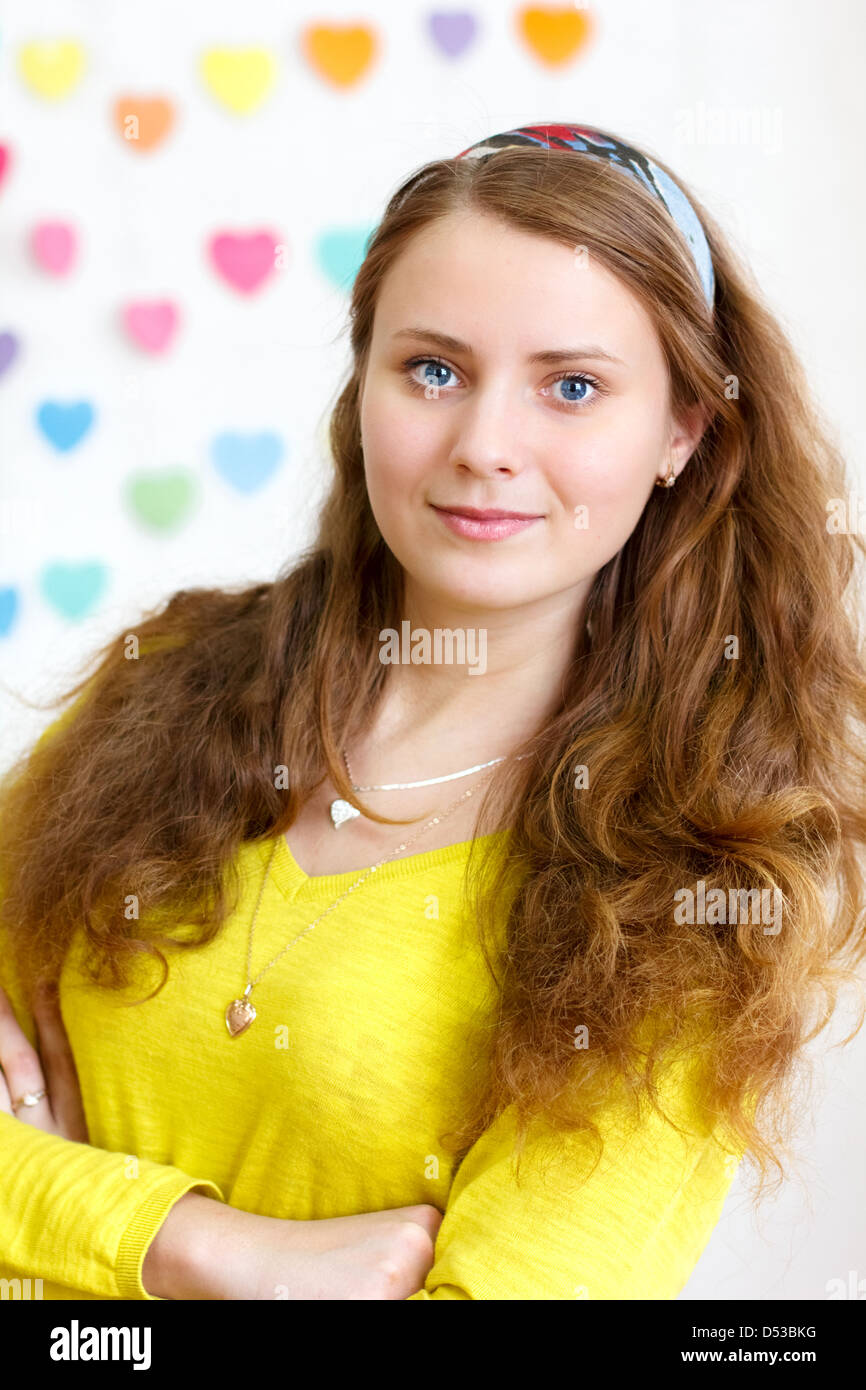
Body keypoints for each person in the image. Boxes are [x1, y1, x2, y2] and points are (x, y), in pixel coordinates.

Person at [1, 123, 865, 1301]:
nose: (483, 448)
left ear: (681, 431)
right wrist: (200, 1248)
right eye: (433, 371)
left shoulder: (693, 886)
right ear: (365, 385)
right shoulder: (159, 692)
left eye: (570, 386)